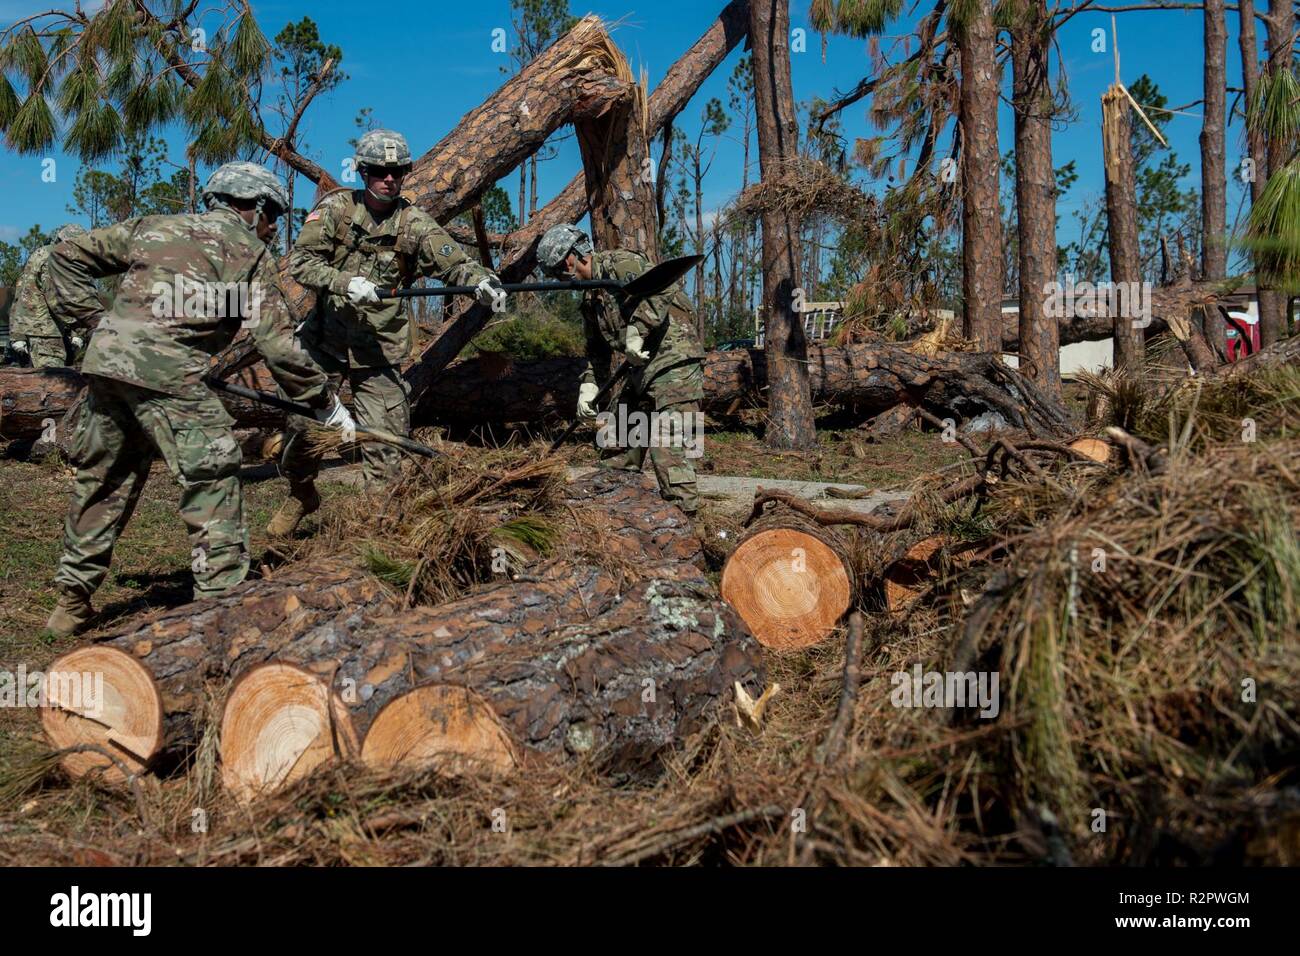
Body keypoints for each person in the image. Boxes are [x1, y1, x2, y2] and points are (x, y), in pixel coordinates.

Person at [41, 162, 352, 638]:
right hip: (170, 377)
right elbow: (277, 345)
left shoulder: (154, 228)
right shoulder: (248, 252)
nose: (273, 230)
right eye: (273, 219)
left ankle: (71, 603)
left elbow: (64, 256)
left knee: (103, 479)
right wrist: (323, 401)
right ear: (256, 208)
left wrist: (97, 324)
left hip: (107, 368)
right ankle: (222, 605)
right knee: (213, 475)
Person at [269, 128, 507, 535]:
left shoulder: (414, 224)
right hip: (324, 342)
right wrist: (345, 283)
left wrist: (480, 280)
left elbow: (454, 263)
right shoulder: (336, 211)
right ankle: (301, 493)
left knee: (387, 444)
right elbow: (301, 263)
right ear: (363, 172)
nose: (389, 178)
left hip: (378, 351)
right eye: (380, 171)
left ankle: (374, 532)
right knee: (302, 431)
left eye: (397, 171)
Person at [536, 224, 704, 514]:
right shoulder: (591, 299)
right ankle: (623, 520)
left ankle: (688, 527)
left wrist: (638, 329)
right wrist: (588, 387)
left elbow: (664, 285)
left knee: (670, 451)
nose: (561, 278)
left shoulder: (620, 264)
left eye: (557, 271)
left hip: (674, 362)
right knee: (616, 444)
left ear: (568, 260)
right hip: (639, 370)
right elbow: (597, 352)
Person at [9, 223, 90, 368]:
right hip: (46, 332)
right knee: (52, 383)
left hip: (33, 330)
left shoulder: (40, 254)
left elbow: (20, 296)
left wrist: (16, 334)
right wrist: (81, 329)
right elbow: (57, 300)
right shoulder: (54, 259)